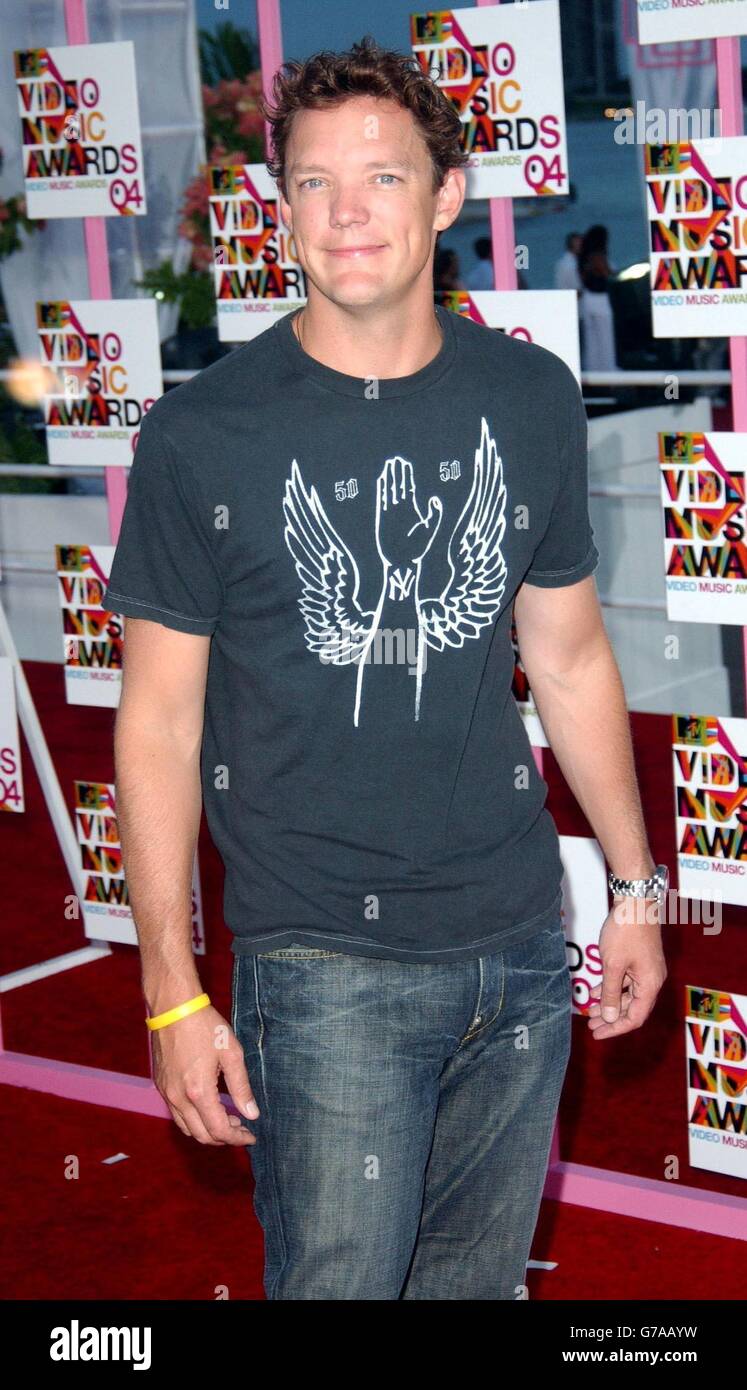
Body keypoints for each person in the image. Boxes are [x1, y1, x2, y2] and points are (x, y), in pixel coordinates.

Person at [103, 35, 667, 1301]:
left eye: (384, 176)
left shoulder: (529, 399)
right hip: (320, 972)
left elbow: (568, 657)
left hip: (518, 944)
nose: (348, 211)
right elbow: (153, 726)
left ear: (448, 194)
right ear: (283, 207)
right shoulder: (205, 434)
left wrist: (635, 888)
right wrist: (169, 990)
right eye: (313, 182)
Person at [578, 224, 618, 371]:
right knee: (605, 336)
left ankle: (593, 368)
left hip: (588, 298)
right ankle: (608, 367)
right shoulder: (598, 255)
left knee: (591, 339)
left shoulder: (583, 257)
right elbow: (607, 273)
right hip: (600, 298)